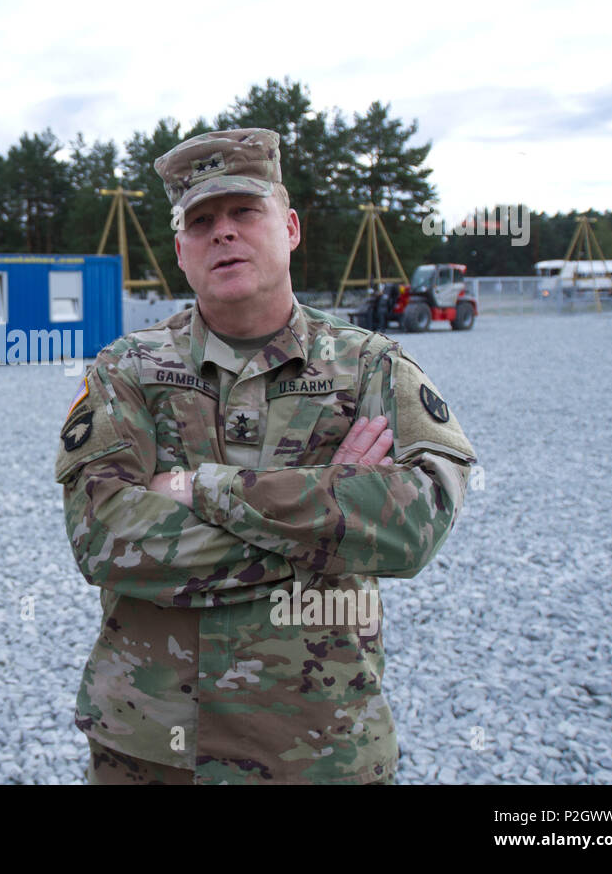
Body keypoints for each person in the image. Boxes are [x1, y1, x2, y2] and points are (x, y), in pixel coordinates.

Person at [54, 128, 476, 784]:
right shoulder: (128, 371)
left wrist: (202, 490)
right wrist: (328, 508)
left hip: (323, 747)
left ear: (291, 227)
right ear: (180, 251)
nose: (223, 232)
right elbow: (105, 538)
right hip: (154, 752)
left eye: (244, 211)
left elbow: (414, 525)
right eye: (201, 221)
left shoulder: (371, 366)